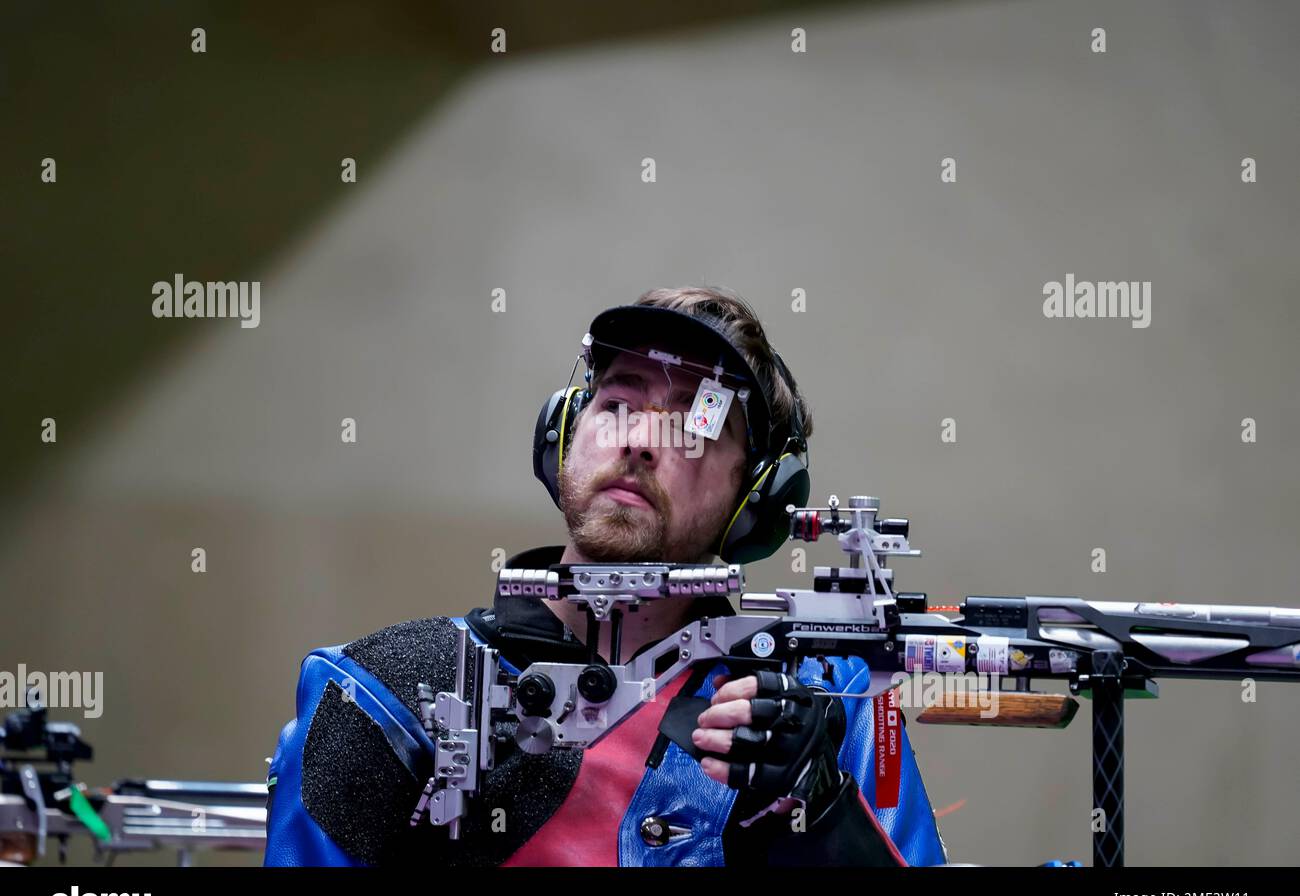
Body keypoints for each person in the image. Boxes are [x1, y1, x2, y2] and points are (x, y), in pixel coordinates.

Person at [263, 287, 949, 866]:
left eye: (696, 426)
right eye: (618, 404)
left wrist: (818, 812)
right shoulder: (384, 695)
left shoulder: (829, 703)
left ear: (756, 499)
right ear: (564, 429)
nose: (642, 441)